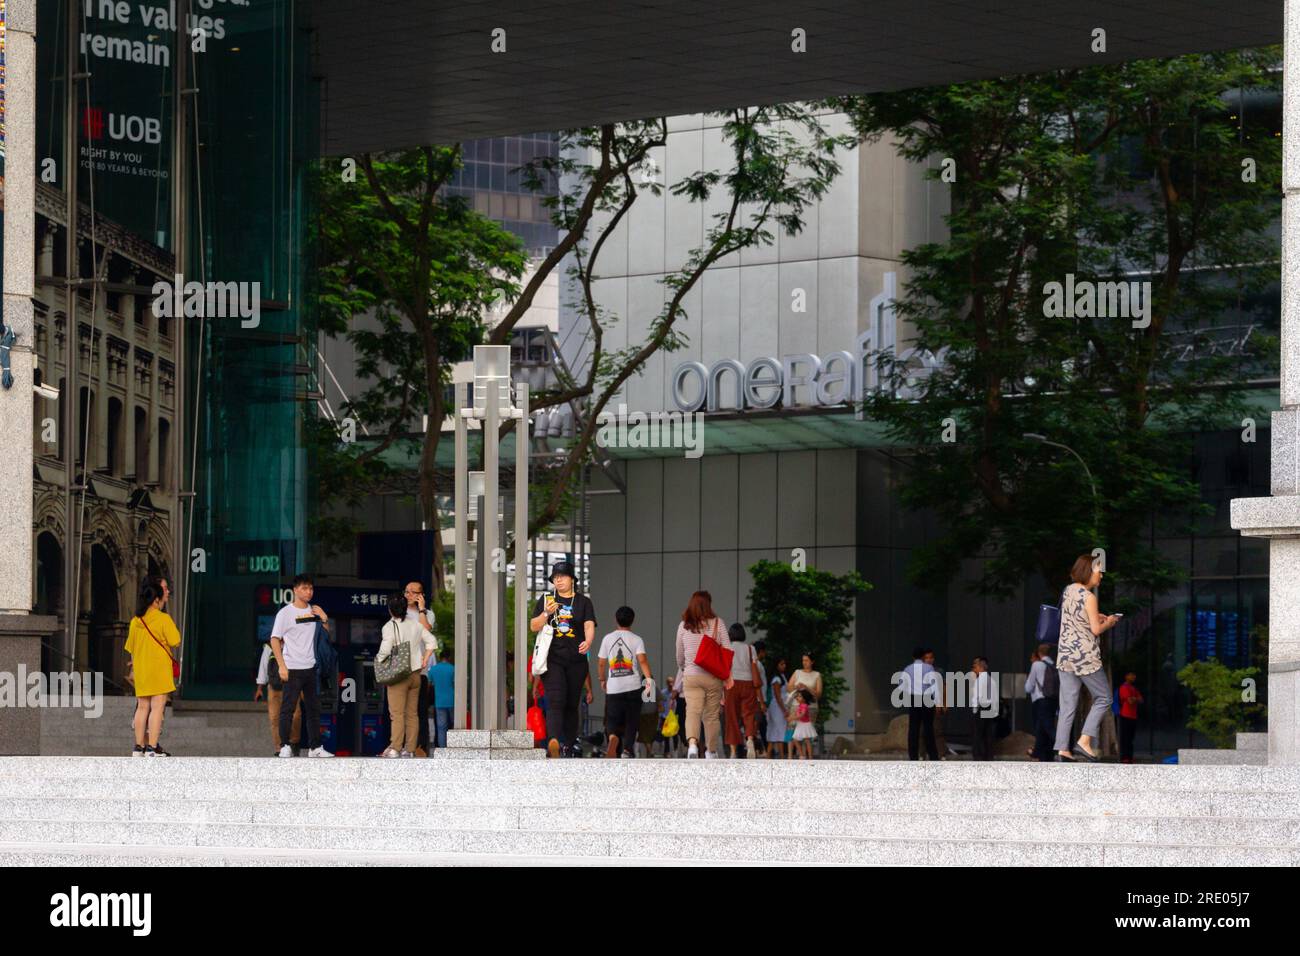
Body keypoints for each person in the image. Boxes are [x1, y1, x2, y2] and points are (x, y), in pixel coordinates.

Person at [1054, 554, 1120, 762]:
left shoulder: (1068, 590)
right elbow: (1095, 629)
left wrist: (1096, 616)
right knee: (1104, 698)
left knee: (1067, 703)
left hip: (1065, 655)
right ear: (1089, 571)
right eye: (1098, 571)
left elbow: (1076, 617)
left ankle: (1062, 749)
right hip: (1085, 657)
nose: (1101, 575)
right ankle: (1084, 740)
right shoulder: (1090, 597)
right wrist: (1108, 622)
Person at [530, 561, 597, 758]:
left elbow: (589, 625)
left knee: (571, 703)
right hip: (553, 659)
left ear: (572, 579)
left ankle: (568, 744)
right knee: (556, 700)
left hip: (577, 661)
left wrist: (589, 641)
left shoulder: (583, 602)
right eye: (555, 578)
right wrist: (546, 613)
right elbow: (534, 626)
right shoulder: (546, 599)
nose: (558, 580)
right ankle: (554, 740)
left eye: (562, 576)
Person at [269, 574, 334, 758]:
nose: (309, 592)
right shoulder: (285, 613)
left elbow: (325, 637)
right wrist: (282, 665)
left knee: (314, 709)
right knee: (288, 709)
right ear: (295, 590)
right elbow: (274, 639)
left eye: (311, 588)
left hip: (311, 667)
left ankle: (315, 747)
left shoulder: (314, 611)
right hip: (292, 668)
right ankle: (284, 746)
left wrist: (324, 619)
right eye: (305, 588)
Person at [124, 576, 181, 757]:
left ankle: (138, 747)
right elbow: (176, 640)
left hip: (142, 670)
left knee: (142, 707)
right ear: (156, 599)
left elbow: (130, 648)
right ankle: (152, 747)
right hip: (159, 670)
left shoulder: (135, 622)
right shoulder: (163, 619)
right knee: (157, 707)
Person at [377, 591, 437, 757]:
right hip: (415, 675)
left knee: (396, 713)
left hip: (398, 674)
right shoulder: (416, 624)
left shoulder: (389, 626)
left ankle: (395, 747)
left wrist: (379, 660)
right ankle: (409, 749)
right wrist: (425, 659)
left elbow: (385, 650)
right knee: (412, 714)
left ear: (390, 609)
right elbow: (432, 641)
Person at [675, 590, 732, 758]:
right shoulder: (717, 623)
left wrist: (684, 668)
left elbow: (679, 654)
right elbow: (728, 649)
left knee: (692, 710)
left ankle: (692, 744)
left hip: (691, 675)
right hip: (713, 676)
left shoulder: (683, 625)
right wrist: (726, 674)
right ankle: (710, 750)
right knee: (711, 715)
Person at [597, 605, 653, 758]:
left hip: (614, 687)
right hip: (633, 686)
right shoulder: (637, 639)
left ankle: (612, 737)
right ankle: (627, 750)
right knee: (631, 720)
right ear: (632, 621)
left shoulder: (607, 638)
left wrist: (602, 679)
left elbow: (601, 662)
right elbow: (642, 661)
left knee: (611, 718)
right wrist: (648, 680)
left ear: (616, 619)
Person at [403, 581, 436, 755]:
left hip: (420, 670)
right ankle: (402, 745)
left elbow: (427, 631)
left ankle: (420, 747)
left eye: (412, 592)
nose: (408, 595)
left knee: (419, 710)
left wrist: (421, 609)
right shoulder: (400, 612)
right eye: (406, 592)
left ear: (420, 595)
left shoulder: (428, 614)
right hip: (401, 669)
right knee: (401, 710)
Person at [255, 641, 302, 755]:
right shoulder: (269, 646)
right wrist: (259, 688)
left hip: (291, 686)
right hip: (274, 688)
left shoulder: (294, 642)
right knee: (274, 719)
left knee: (296, 716)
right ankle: (278, 748)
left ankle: (294, 743)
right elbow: (263, 667)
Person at [723, 623, 763, 758]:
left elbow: (724, 669)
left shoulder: (726, 648)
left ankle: (733, 751)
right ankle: (750, 740)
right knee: (749, 714)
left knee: (732, 717)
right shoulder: (751, 648)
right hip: (748, 684)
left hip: (731, 684)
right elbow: (754, 667)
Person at [902, 647, 939, 761]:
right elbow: (934, 686)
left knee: (913, 728)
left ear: (913, 657)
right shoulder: (929, 668)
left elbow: (902, 685)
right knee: (928, 728)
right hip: (927, 698)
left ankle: (913, 756)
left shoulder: (907, 669)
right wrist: (938, 702)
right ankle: (932, 755)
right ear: (923, 656)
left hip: (913, 699)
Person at [1024, 643, 1059, 762]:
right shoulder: (1054, 665)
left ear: (1039, 653)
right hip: (1053, 700)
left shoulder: (1037, 665)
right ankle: (1042, 753)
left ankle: (1062, 747)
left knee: (1046, 727)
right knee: (1042, 728)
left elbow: (1028, 687)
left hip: (1040, 701)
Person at [970, 657, 996, 761]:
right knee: (988, 734)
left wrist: (974, 710)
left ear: (980, 667)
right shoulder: (991, 680)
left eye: (975, 666)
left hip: (981, 708)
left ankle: (978, 755)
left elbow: (977, 696)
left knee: (978, 734)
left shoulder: (979, 680)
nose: (974, 669)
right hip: (989, 708)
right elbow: (994, 697)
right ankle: (989, 756)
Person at [429, 649, 455, 749]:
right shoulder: (453, 669)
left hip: (439, 702)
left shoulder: (433, 669)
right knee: (454, 726)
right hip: (452, 701)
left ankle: (442, 748)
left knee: (441, 727)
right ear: (449, 658)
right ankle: (454, 746)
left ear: (440, 658)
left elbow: (429, 684)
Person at [766, 657, 789, 759]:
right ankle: (781, 756)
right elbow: (778, 696)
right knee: (779, 730)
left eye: (784, 664)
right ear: (776, 665)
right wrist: (784, 710)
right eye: (781, 664)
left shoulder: (782, 676)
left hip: (781, 706)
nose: (784, 666)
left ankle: (770, 755)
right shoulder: (776, 679)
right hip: (777, 707)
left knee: (776, 730)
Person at [1119, 672, 1144, 764]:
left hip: (1133, 716)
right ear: (1126, 676)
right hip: (1125, 715)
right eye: (1131, 675)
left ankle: (1130, 757)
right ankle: (1124, 757)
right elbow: (1130, 701)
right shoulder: (1124, 688)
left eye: (1134, 675)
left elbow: (1141, 700)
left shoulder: (1133, 688)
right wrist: (1135, 698)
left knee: (1130, 738)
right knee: (1125, 738)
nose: (1134, 676)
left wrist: (1134, 698)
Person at [790, 688, 817, 759]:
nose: (797, 697)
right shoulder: (800, 705)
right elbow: (798, 714)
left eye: (800, 696)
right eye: (797, 696)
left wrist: (793, 718)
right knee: (796, 739)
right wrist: (792, 717)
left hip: (805, 724)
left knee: (807, 740)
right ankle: (802, 755)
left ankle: (809, 756)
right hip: (800, 724)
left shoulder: (804, 706)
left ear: (804, 698)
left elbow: (802, 714)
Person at [753, 641, 769, 753]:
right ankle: (765, 748)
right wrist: (761, 702)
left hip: (759, 699)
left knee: (761, 725)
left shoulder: (756, 663)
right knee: (760, 725)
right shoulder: (757, 664)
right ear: (761, 651)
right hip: (758, 700)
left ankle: (764, 748)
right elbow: (757, 684)